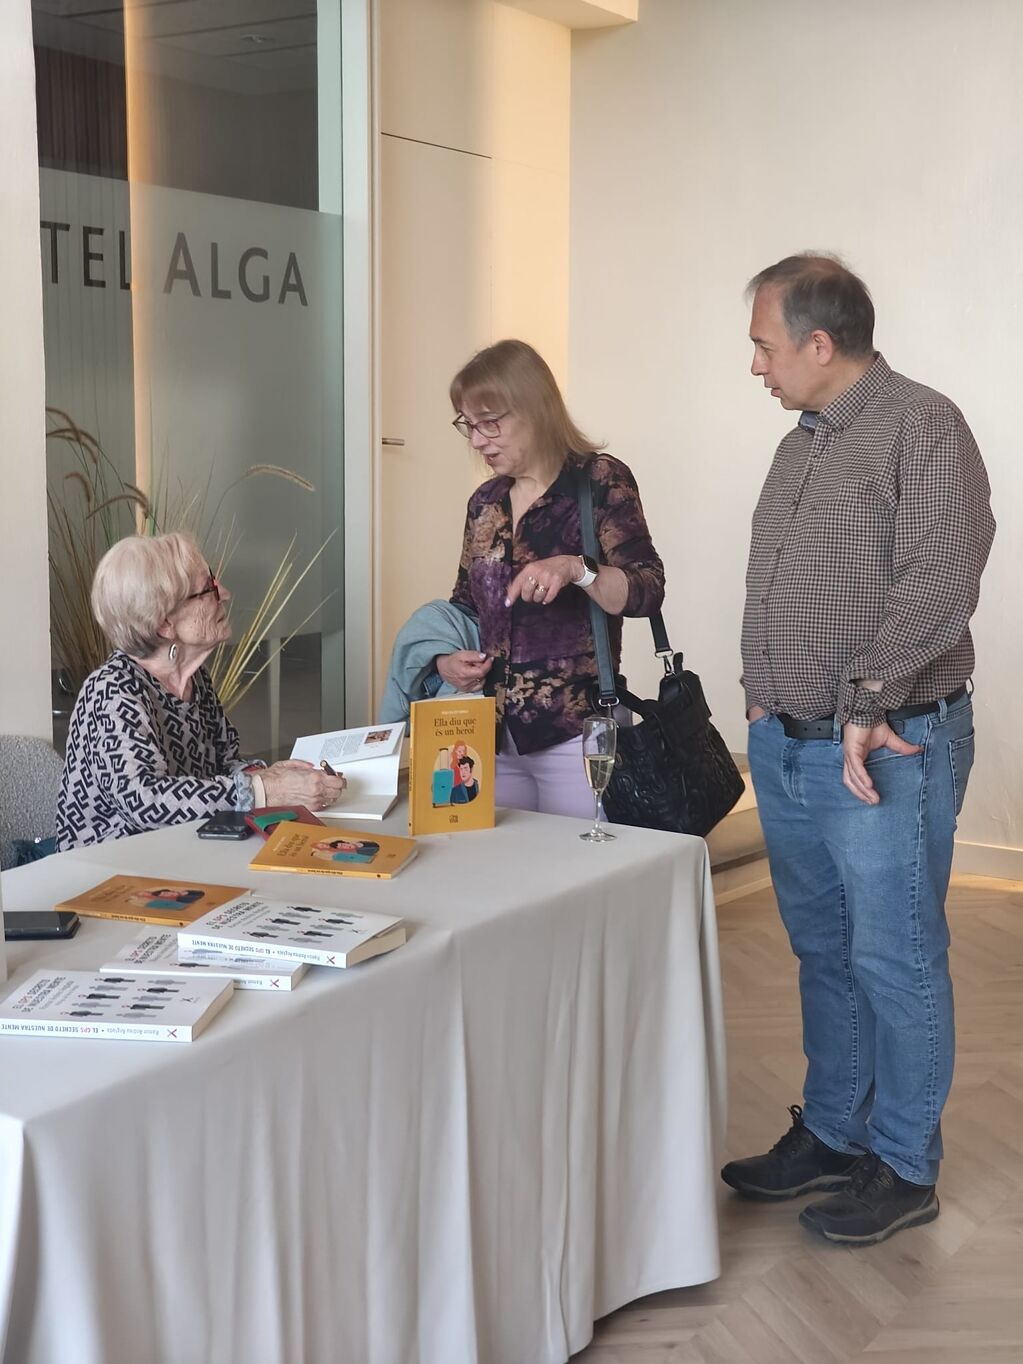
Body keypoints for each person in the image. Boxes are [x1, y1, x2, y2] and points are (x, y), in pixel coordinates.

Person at [723, 254, 995, 1246]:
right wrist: (763, 694)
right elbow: (783, 581)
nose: (756, 365)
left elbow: (943, 572)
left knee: (895, 955)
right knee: (824, 950)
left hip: (886, 743)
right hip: (791, 748)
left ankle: (905, 1162)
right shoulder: (798, 443)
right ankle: (837, 1131)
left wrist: (868, 697)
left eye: (765, 345)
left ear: (818, 342)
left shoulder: (923, 424)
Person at [438, 339, 664, 817]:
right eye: (468, 425)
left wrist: (577, 569)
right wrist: (445, 660)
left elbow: (647, 589)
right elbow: (464, 605)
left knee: (582, 860)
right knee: (499, 861)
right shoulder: (484, 503)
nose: (477, 441)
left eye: (489, 423)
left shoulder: (599, 481)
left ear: (534, 409)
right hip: (490, 738)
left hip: (577, 736)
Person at [57, 532, 346, 851]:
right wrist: (262, 790)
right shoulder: (112, 692)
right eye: (208, 588)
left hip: (185, 853)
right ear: (164, 623)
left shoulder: (194, 679)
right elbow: (145, 801)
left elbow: (223, 764)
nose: (225, 594)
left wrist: (268, 775)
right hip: (108, 867)